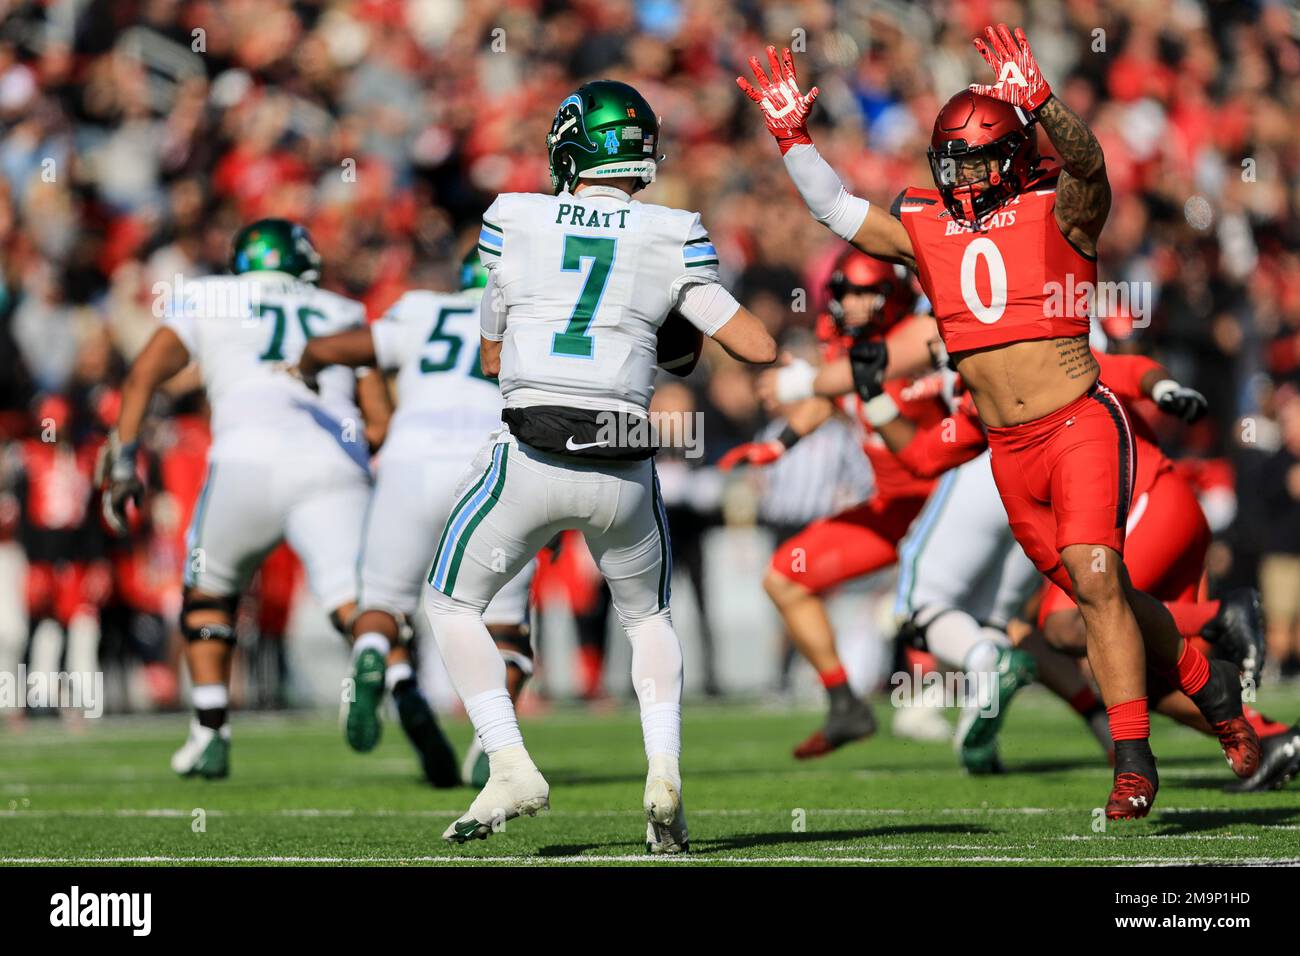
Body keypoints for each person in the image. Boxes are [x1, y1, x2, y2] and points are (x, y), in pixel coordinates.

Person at [738, 26, 1258, 818]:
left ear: (1014, 155)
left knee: (1094, 580)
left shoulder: (1059, 209)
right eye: (955, 162)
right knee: (1097, 596)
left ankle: (1131, 762)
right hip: (1006, 451)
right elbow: (836, 210)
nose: (966, 175)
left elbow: (1089, 164)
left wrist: (1041, 99)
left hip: (1078, 421)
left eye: (981, 159)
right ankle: (1206, 681)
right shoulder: (925, 221)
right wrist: (791, 138)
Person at [422, 80, 775, 852]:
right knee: (648, 617)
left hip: (532, 448)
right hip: (624, 459)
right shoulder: (673, 230)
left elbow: (490, 355)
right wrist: (675, 319)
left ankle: (509, 759)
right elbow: (758, 346)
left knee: (450, 605)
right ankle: (664, 777)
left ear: (571, 144)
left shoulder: (511, 216)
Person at [101, 218, 386, 778]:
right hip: (331, 465)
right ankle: (381, 665)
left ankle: (210, 730)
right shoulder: (340, 309)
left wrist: (123, 458)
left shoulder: (208, 293)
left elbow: (142, 376)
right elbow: (377, 420)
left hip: (243, 461)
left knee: (209, 594)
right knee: (356, 604)